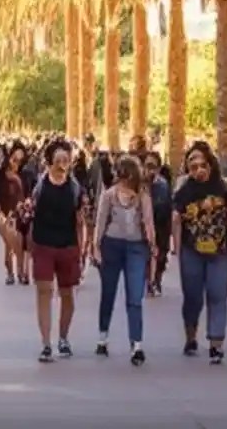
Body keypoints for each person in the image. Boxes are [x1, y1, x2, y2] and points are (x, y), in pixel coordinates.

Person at [173, 141, 227, 366]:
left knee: (217, 294)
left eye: (202, 164)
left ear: (210, 164)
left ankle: (216, 344)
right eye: (192, 166)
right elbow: (176, 221)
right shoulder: (183, 192)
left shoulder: (224, 189)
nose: (198, 170)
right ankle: (191, 336)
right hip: (191, 250)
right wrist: (176, 249)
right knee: (192, 297)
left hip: (220, 250)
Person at [94, 155, 157, 366]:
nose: (121, 178)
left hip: (136, 247)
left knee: (134, 296)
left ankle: (136, 344)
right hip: (111, 245)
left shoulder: (142, 197)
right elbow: (100, 221)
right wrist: (96, 246)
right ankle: (103, 336)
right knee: (108, 293)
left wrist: (152, 244)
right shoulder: (109, 195)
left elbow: (148, 222)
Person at [30, 139, 84, 363]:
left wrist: (83, 248)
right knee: (44, 292)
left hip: (67, 245)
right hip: (43, 244)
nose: (63, 163)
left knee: (67, 293)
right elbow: (30, 215)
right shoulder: (40, 187)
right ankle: (45, 343)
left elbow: (80, 220)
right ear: (49, 162)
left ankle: (63, 337)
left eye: (66, 159)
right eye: (59, 159)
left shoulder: (75, 189)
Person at [0, 142, 29, 285]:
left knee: (19, 242)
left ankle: (21, 271)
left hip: (21, 212)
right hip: (5, 213)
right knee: (8, 244)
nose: (16, 163)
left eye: (20, 160)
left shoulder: (25, 175)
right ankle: (10, 273)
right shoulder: (1, 175)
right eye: (14, 159)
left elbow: (28, 192)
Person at [144, 152, 173, 297]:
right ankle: (149, 281)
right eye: (147, 166)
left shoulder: (163, 185)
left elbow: (168, 206)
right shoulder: (139, 184)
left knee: (161, 256)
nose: (150, 170)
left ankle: (156, 280)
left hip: (161, 226)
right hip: (144, 226)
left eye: (153, 166)